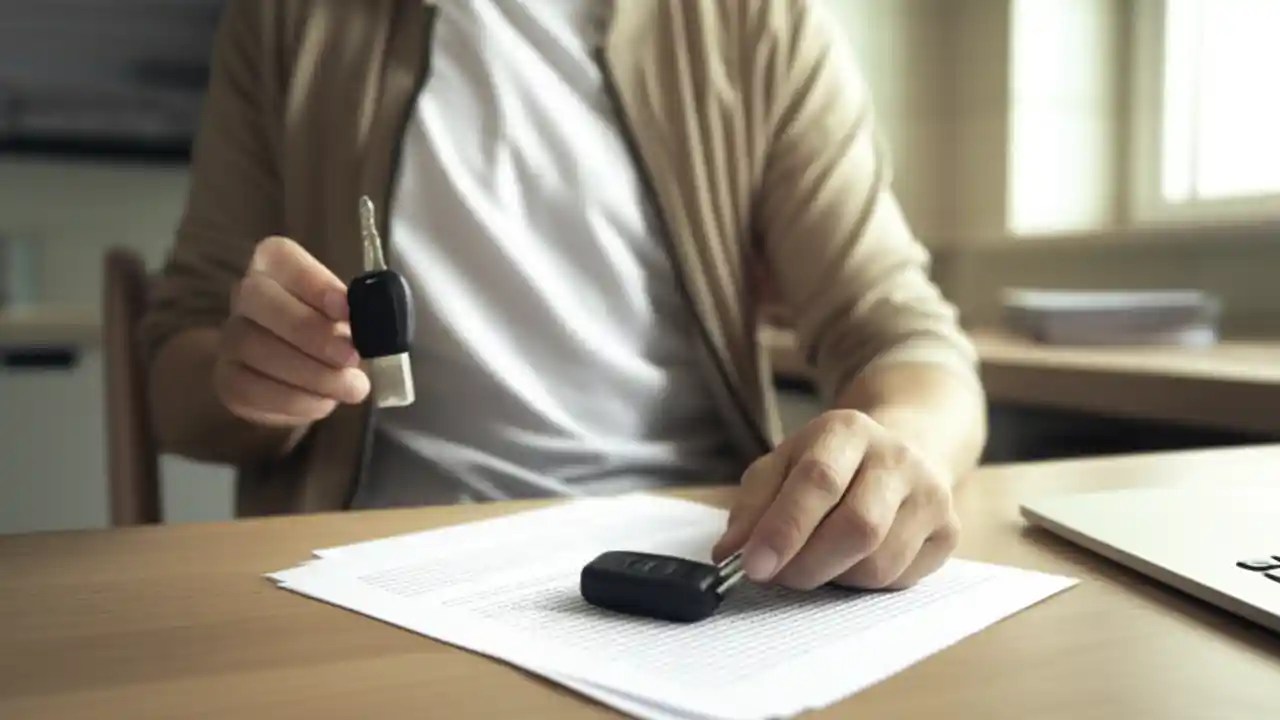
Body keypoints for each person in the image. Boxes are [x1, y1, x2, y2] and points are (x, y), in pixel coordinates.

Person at [142, 0, 987, 592]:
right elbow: (177, 377)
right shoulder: (290, 18)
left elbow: (903, 334)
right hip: (380, 558)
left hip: (703, 552)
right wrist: (246, 375)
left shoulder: (755, 22)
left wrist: (901, 446)